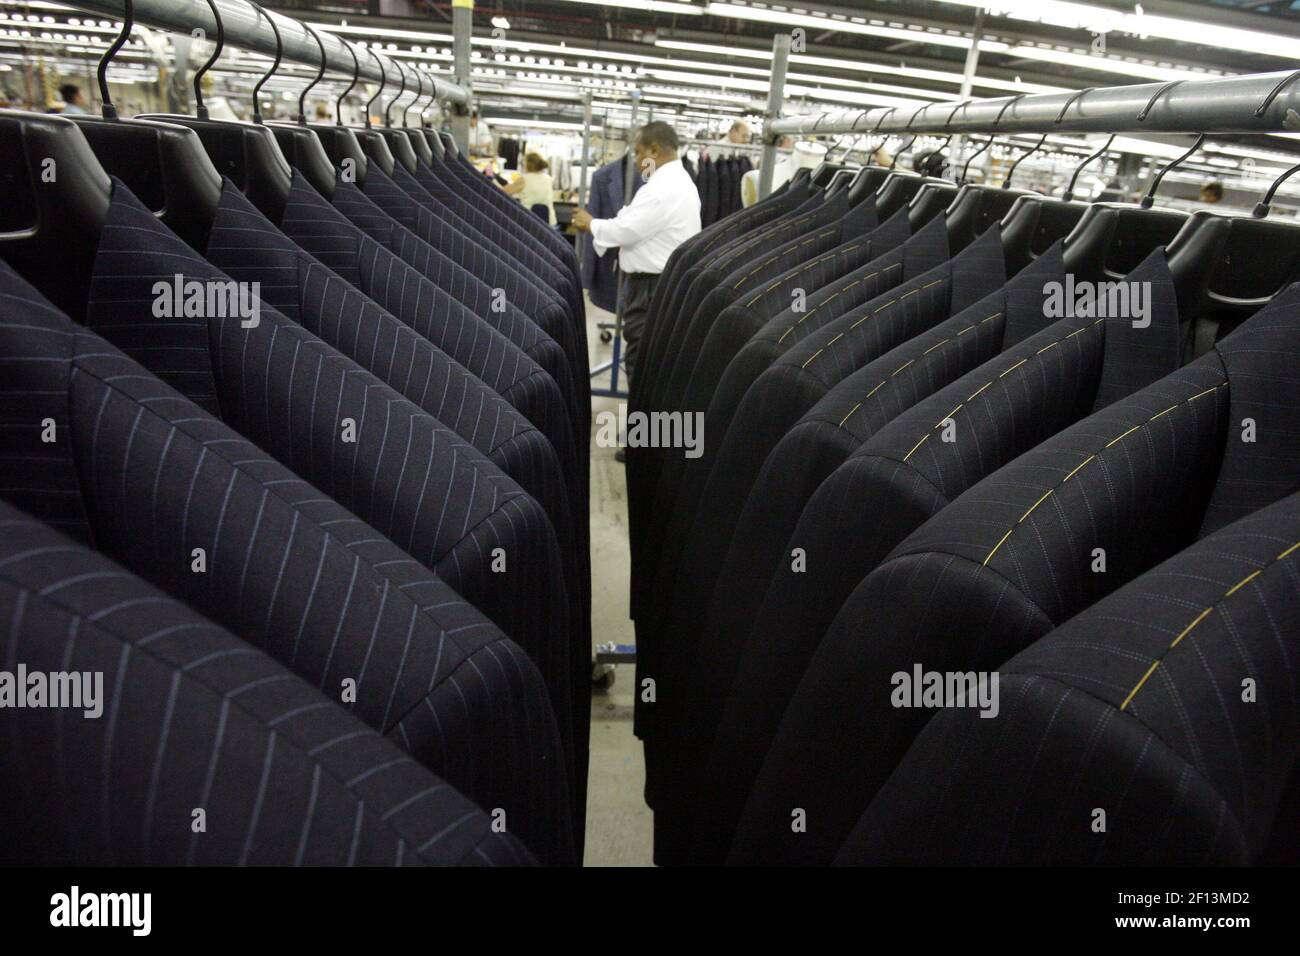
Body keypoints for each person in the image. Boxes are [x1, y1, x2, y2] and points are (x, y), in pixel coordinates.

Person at [572, 120, 701, 391]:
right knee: (649, 364)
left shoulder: (662, 188)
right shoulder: (672, 181)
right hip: (658, 285)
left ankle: (642, 431)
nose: (636, 161)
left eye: (639, 152)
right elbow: (631, 216)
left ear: (654, 151)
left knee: (640, 365)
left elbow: (626, 229)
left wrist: (591, 224)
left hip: (651, 289)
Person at [503, 153, 557, 225]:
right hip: (549, 224)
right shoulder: (549, 179)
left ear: (527, 164)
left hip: (529, 223)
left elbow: (503, 192)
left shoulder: (524, 179)